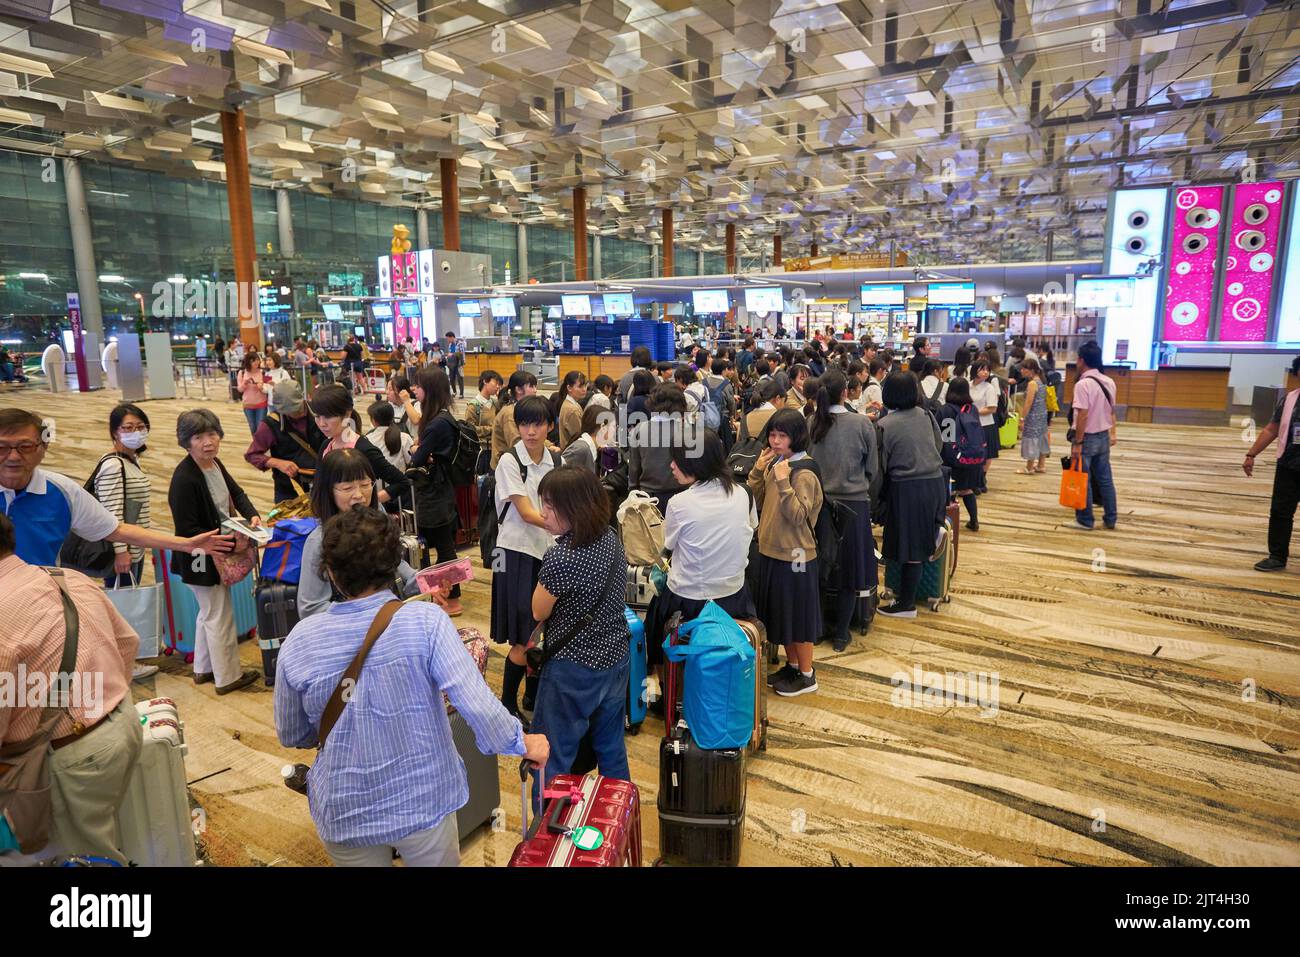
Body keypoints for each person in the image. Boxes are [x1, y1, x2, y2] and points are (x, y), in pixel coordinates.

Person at [275, 506, 548, 867]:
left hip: (344, 808)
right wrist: (521, 740)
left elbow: (293, 732)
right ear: (393, 566)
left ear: (331, 575)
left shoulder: (299, 640)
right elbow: (477, 705)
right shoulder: (425, 622)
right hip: (423, 798)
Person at [0, 514, 143, 863]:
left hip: (73, 756)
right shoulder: (66, 578)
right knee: (100, 838)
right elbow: (127, 642)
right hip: (122, 722)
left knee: (81, 861)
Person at [0, 408, 229, 567]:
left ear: (43, 447)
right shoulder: (114, 466)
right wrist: (122, 554)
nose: (13, 456)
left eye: (25, 446)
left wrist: (186, 544)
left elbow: (115, 528)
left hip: (39, 602)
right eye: (2, 447)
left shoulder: (62, 491)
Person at [529, 467, 631, 784]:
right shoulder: (611, 538)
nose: (543, 513)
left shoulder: (562, 557)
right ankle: (620, 816)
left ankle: (549, 828)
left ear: (574, 507)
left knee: (553, 754)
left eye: (549, 505)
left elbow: (537, 610)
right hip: (616, 658)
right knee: (611, 747)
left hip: (574, 668)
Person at [644, 434, 757, 684]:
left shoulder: (679, 503)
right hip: (734, 596)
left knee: (653, 617)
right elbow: (750, 528)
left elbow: (669, 547)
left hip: (690, 601)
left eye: (677, 460)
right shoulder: (743, 493)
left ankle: (669, 689)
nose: (671, 466)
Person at [168, 409, 262, 693]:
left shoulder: (214, 464)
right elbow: (187, 530)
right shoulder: (185, 479)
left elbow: (237, 493)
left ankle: (203, 669)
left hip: (214, 550)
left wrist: (252, 515)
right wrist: (220, 543)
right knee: (218, 614)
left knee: (208, 612)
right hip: (200, 556)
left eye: (212, 434)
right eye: (199, 437)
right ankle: (228, 677)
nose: (208, 442)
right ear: (186, 442)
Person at [492, 396, 560, 721]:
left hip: (546, 554)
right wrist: (567, 524)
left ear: (549, 426)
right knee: (522, 636)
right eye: (524, 424)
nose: (531, 431)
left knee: (542, 633)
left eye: (538, 424)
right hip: (514, 554)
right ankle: (507, 702)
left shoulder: (555, 462)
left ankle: (533, 696)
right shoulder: (509, 461)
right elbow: (526, 511)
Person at [748, 409, 823, 697]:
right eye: (773, 434)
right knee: (785, 614)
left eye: (782, 436)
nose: (776, 441)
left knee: (799, 616)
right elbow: (754, 497)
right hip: (771, 550)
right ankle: (793, 666)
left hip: (796, 554)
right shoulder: (777, 463)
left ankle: (807, 674)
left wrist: (782, 481)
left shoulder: (803, 471)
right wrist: (758, 469)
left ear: (796, 437)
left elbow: (798, 516)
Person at [296, 450, 422, 619]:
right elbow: (311, 608)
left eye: (365, 484)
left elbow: (397, 565)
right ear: (328, 491)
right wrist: (364, 617)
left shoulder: (378, 516)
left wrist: (425, 582)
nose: (359, 495)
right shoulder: (318, 541)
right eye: (347, 488)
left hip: (389, 620)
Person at [807, 370, 878, 651]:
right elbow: (872, 469)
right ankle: (841, 634)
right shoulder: (862, 424)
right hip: (854, 505)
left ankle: (820, 627)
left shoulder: (811, 422)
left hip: (819, 505)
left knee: (821, 567)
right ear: (845, 392)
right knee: (850, 571)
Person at [875, 372, 947, 619]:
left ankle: (906, 605)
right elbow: (939, 446)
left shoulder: (885, 425)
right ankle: (906, 597)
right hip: (935, 484)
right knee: (916, 544)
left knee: (908, 546)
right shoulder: (926, 416)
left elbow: (880, 466)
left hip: (906, 488)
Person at [408, 368, 464, 615]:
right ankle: (446, 597)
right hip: (442, 492)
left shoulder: (437, 424)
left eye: (418, 386)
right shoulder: (443, 417)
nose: (414, 390)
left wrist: (414, 448)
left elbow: (417, 458)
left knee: (442, 547)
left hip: (434, 495)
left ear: (428, 390)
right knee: (444, 545)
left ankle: (450, 599)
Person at [308, 384, 411, 506]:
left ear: (347, 414)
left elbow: (402, 482)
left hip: (357, 521)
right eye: (317, 416)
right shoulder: (326, 445)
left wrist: (369, 501)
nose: (321, 423)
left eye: (328, 416)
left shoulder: (363, 449)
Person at [1244, 356, 1300, 571]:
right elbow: (1272, 429)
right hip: (1288, 465)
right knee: (1280, 512)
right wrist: (1251, 454)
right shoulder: (1289, 399)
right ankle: (1277, 556)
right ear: (1296, 374)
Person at [94, 404, 153, 590]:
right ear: (114, 432)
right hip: (123, 552)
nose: (136, 432)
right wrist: (120, 552)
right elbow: (112, 514)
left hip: (136, 546)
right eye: (128, 428)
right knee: (124, 605)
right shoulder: (113, 466)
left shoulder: (130, 460)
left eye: (140, 426)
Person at [245, 380, 325, 502]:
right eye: (289, 410)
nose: (295, 413)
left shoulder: (320, 412)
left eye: (297, 407)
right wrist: (276, 463)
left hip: (324, 482)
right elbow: (252, 455)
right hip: (289, 488)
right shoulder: (270, 424)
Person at [1068, 341, 1118, 531]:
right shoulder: (1109, 381)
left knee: (1083, 479)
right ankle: (1111, 517)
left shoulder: (1083, 384)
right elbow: (1111, 411)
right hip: (1103, 435)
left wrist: (1078, 442)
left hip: (1086, 437)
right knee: (1105, 478)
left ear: (1082, 360)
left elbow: (1082, 414)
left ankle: (1085, 519)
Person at [629, 384, 690, 515]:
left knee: (650, 535)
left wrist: (633, 491)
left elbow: (634, 467)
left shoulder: (639, 429)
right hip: (680, 494)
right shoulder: (686, 430)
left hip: (646, 496)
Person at [936, 377, 984, 532]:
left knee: (947, 490)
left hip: (951, 458)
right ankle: (974, 520)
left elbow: (946, 437)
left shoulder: (946, 410)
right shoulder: (972, 408)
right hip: (970, 456)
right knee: (967, 489)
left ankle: (944, 522)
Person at [490, 370, 539, 469]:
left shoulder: (521, 409)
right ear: (518, 390)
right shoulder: (510, 413)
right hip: (504, 468)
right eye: (531, 386)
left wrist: (549, 445)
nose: (535, 390)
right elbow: (516, 442)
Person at [365, 400, 413, 496]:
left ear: (373, 420)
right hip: (400, 490)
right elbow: (411, 461)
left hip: (377, 491)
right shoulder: (404, 437)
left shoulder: (367, 440)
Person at [969, 359, 1001, 493]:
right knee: (973, 453)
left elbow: (992, 408)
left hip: (986, 424)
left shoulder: (989, 387)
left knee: (987, 454)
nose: (985, 372)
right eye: (982, 369)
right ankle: (974, 480)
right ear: (975, 370)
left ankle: (982, 479)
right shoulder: (968, 385)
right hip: (970, 424)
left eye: (987, 370)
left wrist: (973, 412)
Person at [1016, 357, 1050, 474]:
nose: (1021, 371)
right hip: (1042, 415)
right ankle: (1041, 465)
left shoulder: (1032, 384)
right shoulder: (1041, 380)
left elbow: (1028, 403)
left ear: (1031, 370)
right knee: (1041, 438)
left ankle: (1029, 467)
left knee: (1031, 439)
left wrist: (1022, 418)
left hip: (1033, 416)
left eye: (1023, 369)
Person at [561, 403, 616, 472]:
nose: (614, 430)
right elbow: (559, 477)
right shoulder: (580, 449)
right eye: (613, 426)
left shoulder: (592, 448)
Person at [464, 370, 501, 469]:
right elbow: (469, 430)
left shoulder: (496, 403)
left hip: (495, 449)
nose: (498, 386)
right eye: (495, 383)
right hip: (482, 451)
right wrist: (491, 429)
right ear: (485, 381)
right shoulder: (473, 406)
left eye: (499, 384)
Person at [554, 370, 589, 449]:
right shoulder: (572, 409)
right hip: (573, 453)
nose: (584, 389)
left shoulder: (571, 403)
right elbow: (580, 437)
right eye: (580, 386)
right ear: (569, 388)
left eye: (585, 385)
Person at [237, 352, 269, 435]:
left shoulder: (263, 372)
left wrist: (261, 387)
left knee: (260, 427)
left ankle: (261, 445)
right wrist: (245, 384)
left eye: (257, 360)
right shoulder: (242, 373)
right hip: (248, 405)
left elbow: (268, 387)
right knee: (253, 427)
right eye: (253, 361)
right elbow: (239, 389)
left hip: (261, 404)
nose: (256, 362)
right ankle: (257, 445)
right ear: (248, 362)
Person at [444, 331, 464, 398]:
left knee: (460, 378)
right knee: (451, 379)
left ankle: (461, 394)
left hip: (458, 364)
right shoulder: (450, 345)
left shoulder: (459, 343)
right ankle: (454, 392)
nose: (447, 340)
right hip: (451, 364)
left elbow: (461, 353)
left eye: (448, 338)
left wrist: (462, 363)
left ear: (452, 337)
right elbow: (450, 353)